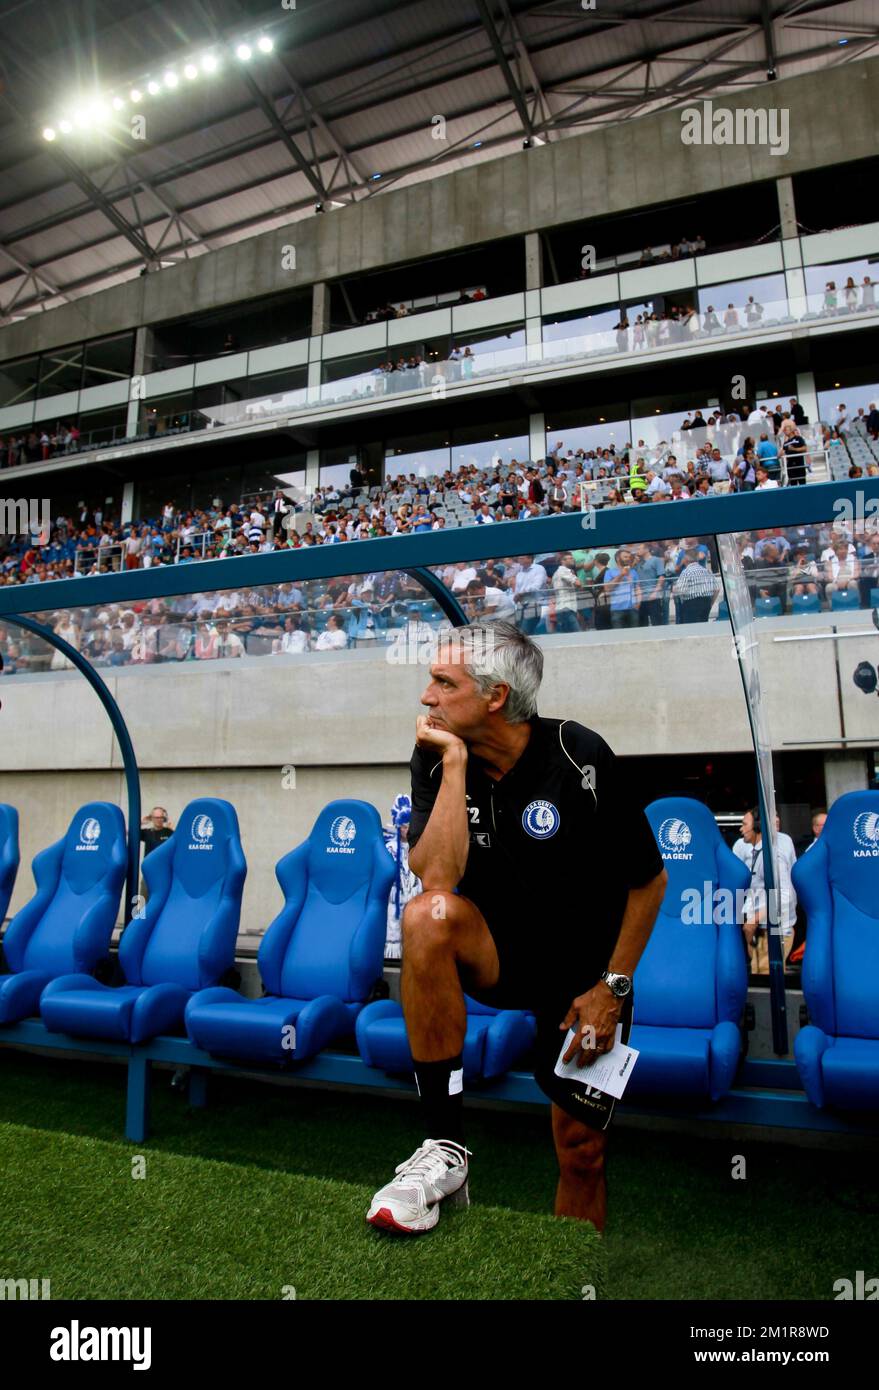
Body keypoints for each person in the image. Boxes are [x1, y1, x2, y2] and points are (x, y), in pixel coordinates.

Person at [366, 621, 666, 1235]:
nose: (426, 696)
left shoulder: (577, 756)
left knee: (582, 1149)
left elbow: (648, 881)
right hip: (495, 954)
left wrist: (612, 988)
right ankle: (445, 1148)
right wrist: (452, 766)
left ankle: (572, 1278)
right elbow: (438, 879)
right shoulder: (434, 753)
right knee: (427, 918)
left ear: (495, 696)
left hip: (584, 979)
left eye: (443, 683)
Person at [733, 807, 797, 974]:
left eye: (744, 824)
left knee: (766, 979)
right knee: (758, 973)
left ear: (757, 827)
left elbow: (784, 895)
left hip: (774, 929)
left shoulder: (772, 856)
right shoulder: (756, 850)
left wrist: (753, 920)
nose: (741, 829)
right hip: (758, 928)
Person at [139, 807, 174, 898]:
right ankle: (142, 913)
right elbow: (127, 832)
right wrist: (141, 822)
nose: (159, 820)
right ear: (152, 818)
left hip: (165, 872)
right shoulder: (147, 832)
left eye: (161, 817)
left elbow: (182, 842)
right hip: (149, 872)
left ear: (164, 818)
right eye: (156, 817)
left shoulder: (169, 832)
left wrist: (173, 829)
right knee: (143, 898)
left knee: (163, 899)